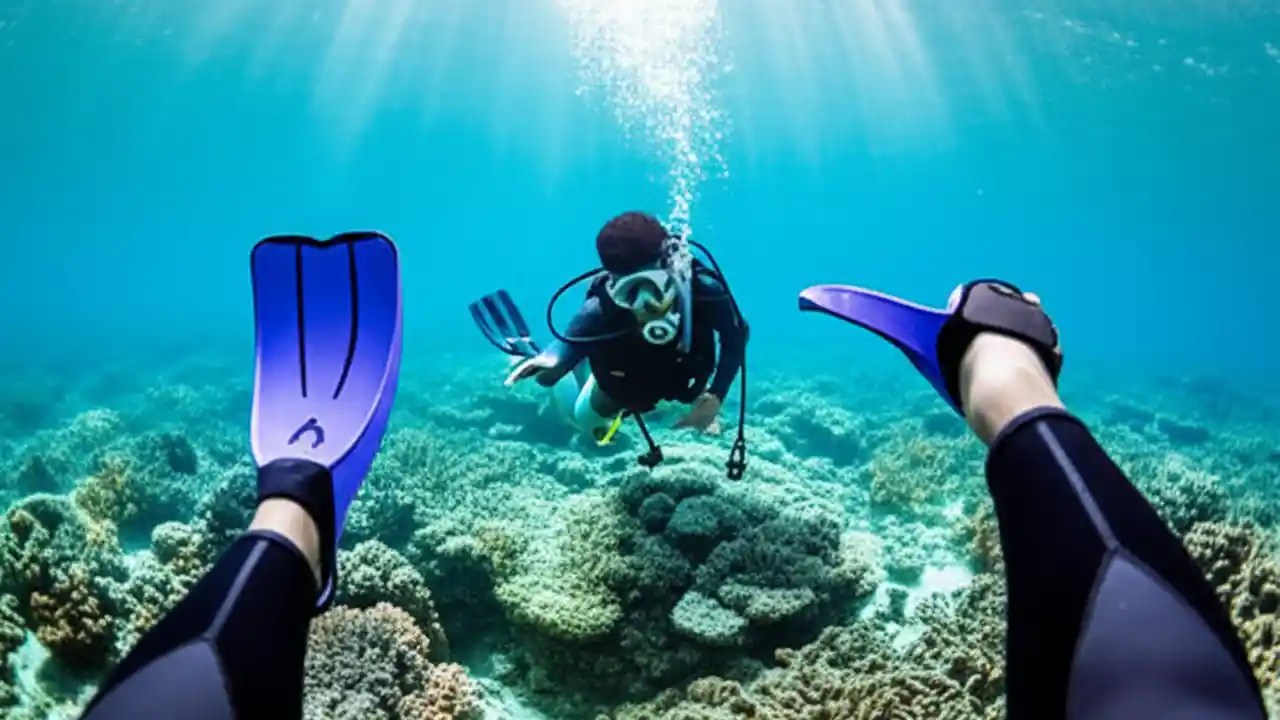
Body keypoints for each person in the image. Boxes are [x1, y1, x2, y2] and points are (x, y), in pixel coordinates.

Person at [80, 258, 1267, 718]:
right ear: (607, 284)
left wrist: (710, 403)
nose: (651, 303)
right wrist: (560, 365)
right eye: (632, 291)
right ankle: (1007, 382)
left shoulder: (702, 300)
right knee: (584, 412)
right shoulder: (598, 314)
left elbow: (739, 347)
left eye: (659, 285)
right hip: (612, 399)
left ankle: (291, 515)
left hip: (676, 403)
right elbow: (582, 359)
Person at [472, 211, 750, 477]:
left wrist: (716, 397)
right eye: (628, 290)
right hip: (621, 387)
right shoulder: (599, 308)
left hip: (684, 386)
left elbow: (736, 337)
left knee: (692, 408)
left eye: (650, 284)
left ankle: (685, 407)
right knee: (582, 422)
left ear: (669, 264)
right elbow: (560, 354)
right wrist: (549, 362)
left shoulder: (705, 292)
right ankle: (548, 360)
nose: (644, 304)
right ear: (612, 282)